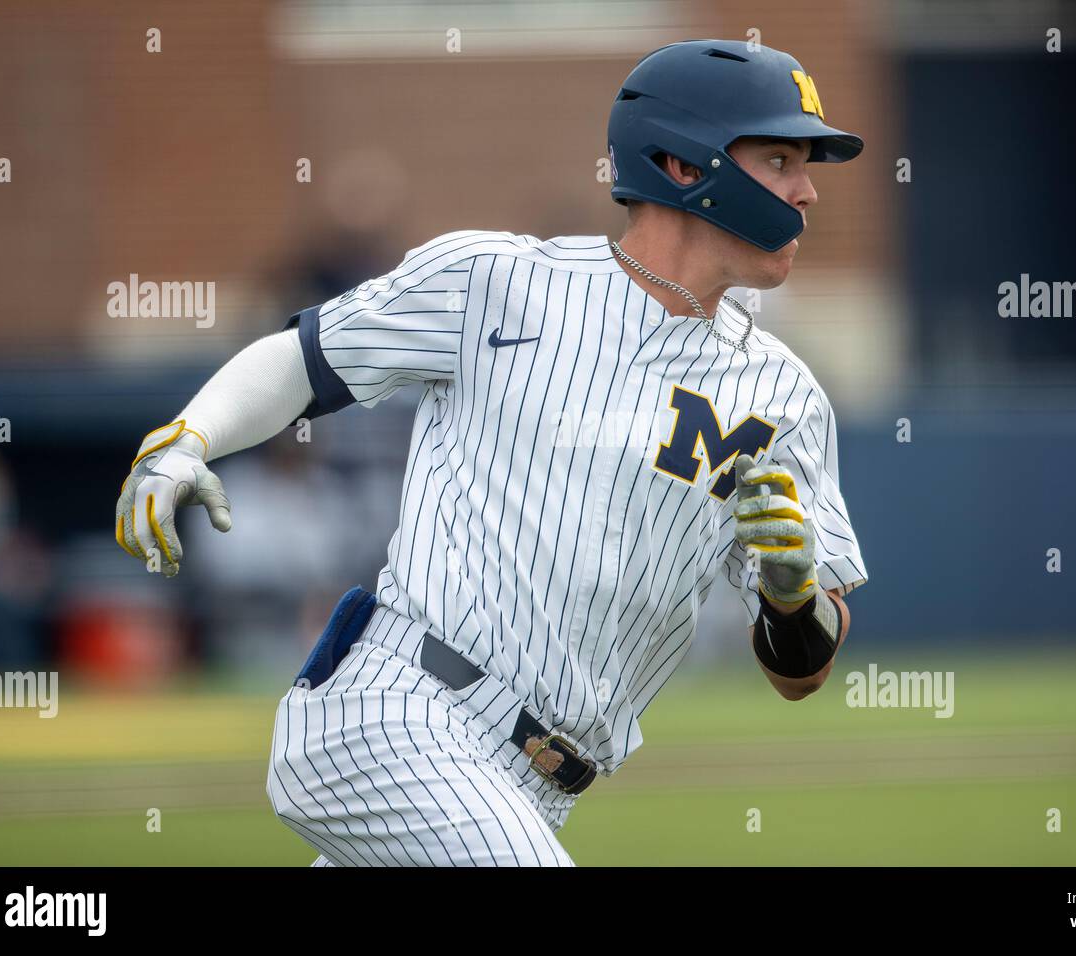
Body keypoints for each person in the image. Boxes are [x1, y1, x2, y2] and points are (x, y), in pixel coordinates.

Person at [113, 38, 868, 866]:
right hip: (395, 714)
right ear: (681, 165)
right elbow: (305, 360)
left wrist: (793, 597)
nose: (807, 188)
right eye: (780, 158)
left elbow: (802, 673)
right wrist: (189, 438)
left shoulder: (786, 396)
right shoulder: (496, 282)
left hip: (533, 788)